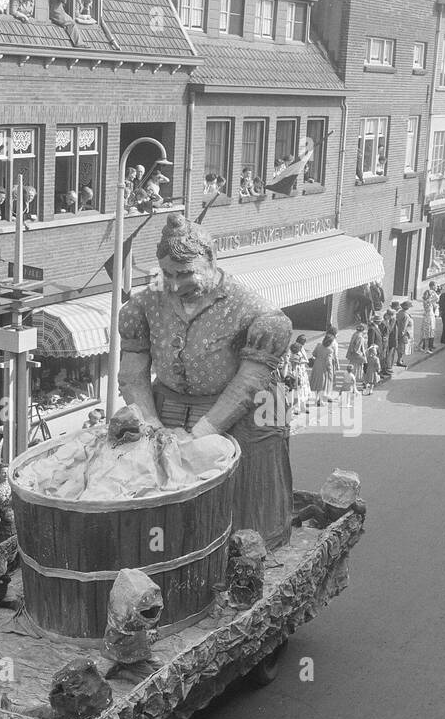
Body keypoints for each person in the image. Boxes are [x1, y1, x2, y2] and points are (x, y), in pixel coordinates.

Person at [118, 214, 294, 549]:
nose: (174, 285)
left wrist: (203, 432)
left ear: (211, 260)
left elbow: (249, 383)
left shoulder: (255, 312)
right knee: (155, 472)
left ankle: (249, 546)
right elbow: (131, 375)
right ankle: (168, 546)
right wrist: (152, 425)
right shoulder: (142, 305)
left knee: (243, 487)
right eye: (167, 274)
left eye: (185, 274)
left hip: (241, 410)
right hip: (168, 403)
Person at [309, 331, 337, 407]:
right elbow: (329, 362)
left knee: (316, 383)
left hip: (316, 365)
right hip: (323, 368)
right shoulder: (330, 350)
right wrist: (330, 372)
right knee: (321, 385)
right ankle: (320, 401)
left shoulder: (318, 345)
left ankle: (316, 400)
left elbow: (314, 354)